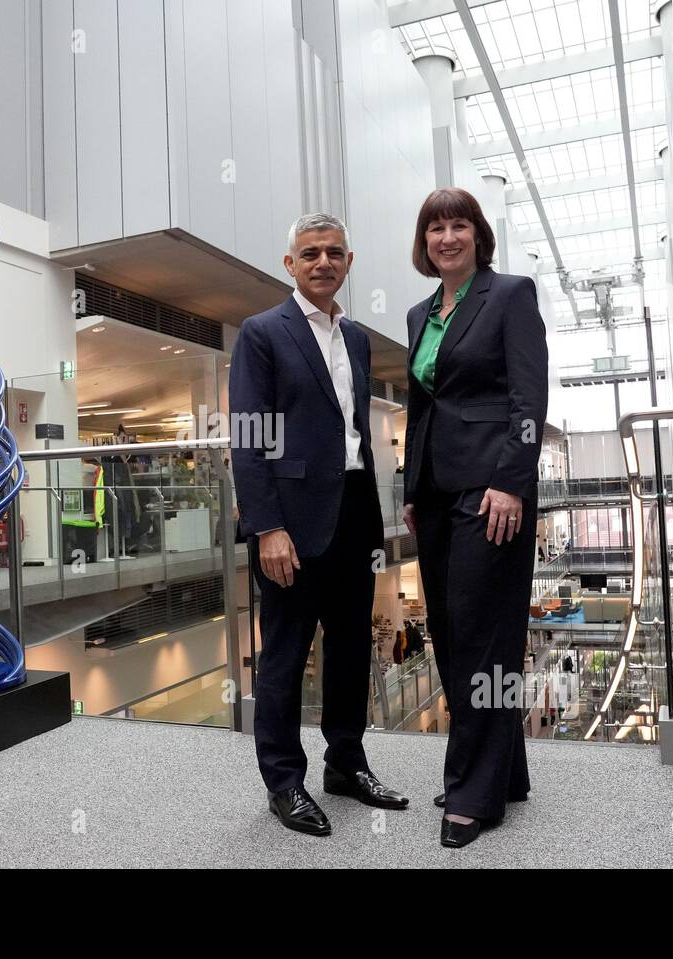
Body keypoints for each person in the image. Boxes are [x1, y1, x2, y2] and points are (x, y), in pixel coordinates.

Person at [229, 212, 408, 837]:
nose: (323, 262)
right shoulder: (262, 333)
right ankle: (283, 781)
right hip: (291, 527)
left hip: (355, 515)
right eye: (310, 254)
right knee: (283, 657)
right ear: (290, 265)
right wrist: (266, 527)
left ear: (349, 262)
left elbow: (351, 432)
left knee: (352, 649)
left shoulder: (355, 338)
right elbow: (249, 439)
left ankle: (345, 764)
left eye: (334, 252)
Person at [400, 187, 549, 848]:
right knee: (451, 634)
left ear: (477, 235)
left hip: (492, 490)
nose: (448, 236)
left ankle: (471, 791)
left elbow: (528, 394)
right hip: (435, 490)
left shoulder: (510, 294)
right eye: (436, 227)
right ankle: (503, 771)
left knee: (484, 635)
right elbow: (421, 406)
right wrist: (410, 486)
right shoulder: (420, 312)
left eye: (459, 224)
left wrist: (513, 481)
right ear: (424, 242)